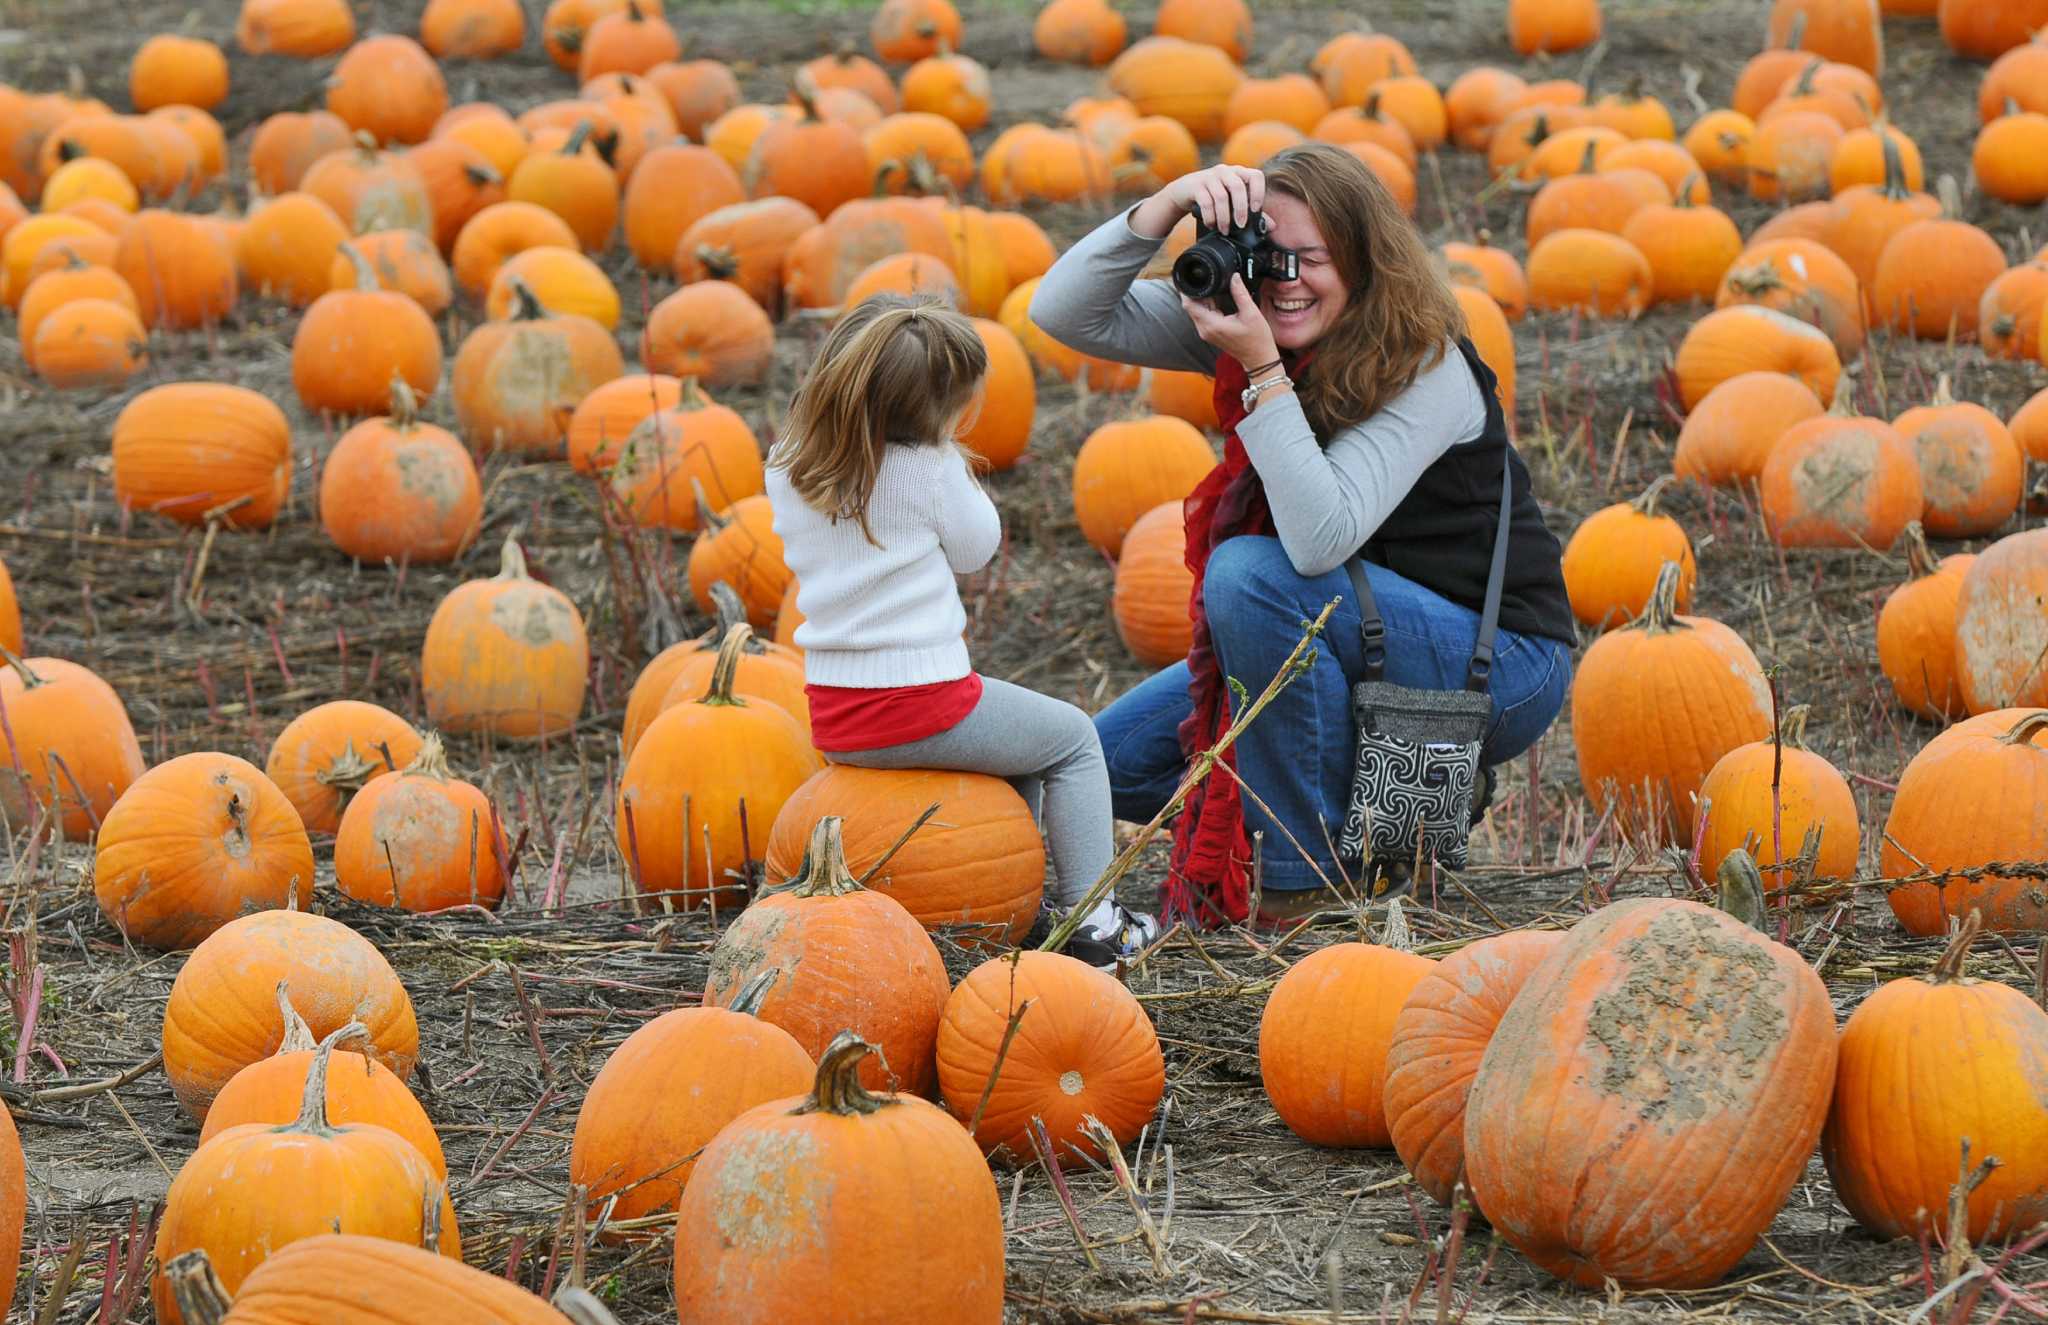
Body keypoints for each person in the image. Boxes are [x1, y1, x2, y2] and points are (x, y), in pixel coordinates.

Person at [1031, 145, 1575, 929]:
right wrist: (1167, 205)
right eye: (1266, 254)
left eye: (1310, 259)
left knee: (1248, 578)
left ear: (1362, 259)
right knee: (1101, 765)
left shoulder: (1425, 364)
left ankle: (1302, 889)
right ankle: (1374, 794)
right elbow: (1062, 313)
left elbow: (1319, 539)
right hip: (1348, 635)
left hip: (1497, 664)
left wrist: (1260, 367)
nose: (1284, 279)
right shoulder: (1254, 324)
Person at [766, 293, 1159, 967]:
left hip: (836, 709)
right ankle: (1093, 920)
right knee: (1070, 740)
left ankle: (1024, 899)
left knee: (1019, 751)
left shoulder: (788, 465)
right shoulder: (928, 468)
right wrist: (950, 461)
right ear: (933, 412)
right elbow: (979, 546)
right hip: (924, 701)